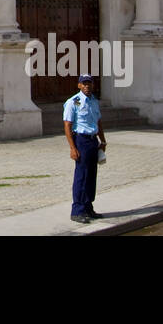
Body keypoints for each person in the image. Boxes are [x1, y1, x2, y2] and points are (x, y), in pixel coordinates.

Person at [64, 74, 107, 223]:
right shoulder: (74, 102)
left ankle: (88, 207)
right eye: (84, 83)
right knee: (81, 176)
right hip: (81, 141)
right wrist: (72, 148)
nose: (87, 86)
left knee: (91, 176)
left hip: (92, 140)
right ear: (79, 85)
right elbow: (67, 125)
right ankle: (77, 210)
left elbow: (99, 121)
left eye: (89, 83)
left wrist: (103, 141)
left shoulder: (94, 101)